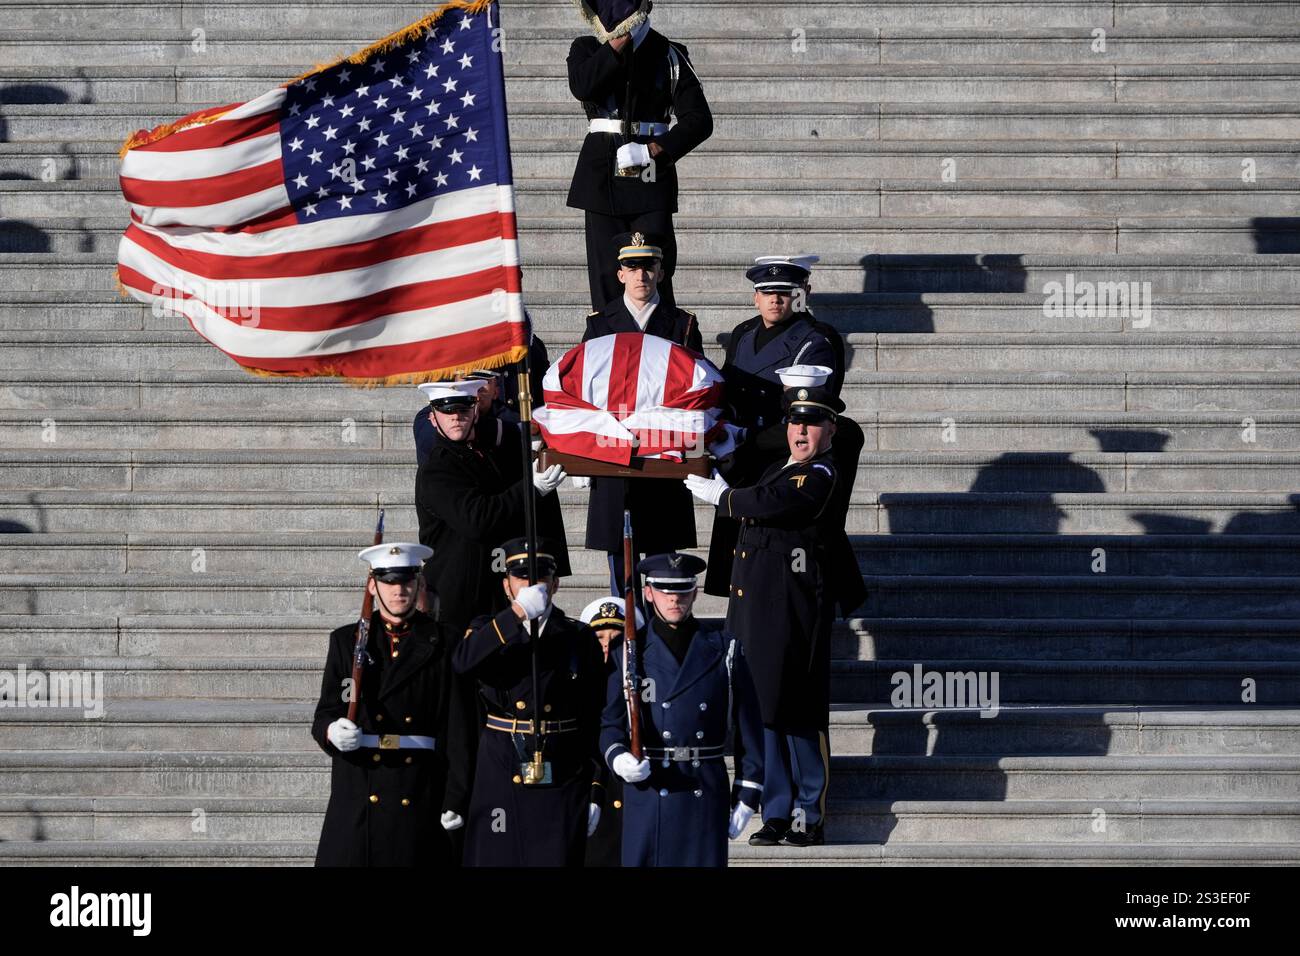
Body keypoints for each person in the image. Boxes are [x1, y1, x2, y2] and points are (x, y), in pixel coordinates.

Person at [684, 385, 866, 847]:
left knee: (798, 709)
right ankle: (777, 810)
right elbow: (757, 490)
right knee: (763, 710)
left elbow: (776, 504)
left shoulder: (821, 473)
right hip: (752, 609)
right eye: (794, 422)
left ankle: (811, 810)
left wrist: (724, 499)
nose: (801, 430)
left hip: (793, 609)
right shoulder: (776, 468)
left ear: (830, 430)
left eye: (812, 423)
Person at [703, 255, 858, 597]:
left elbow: (808, 413)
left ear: (804, 293)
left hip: (781, 460)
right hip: (741, 461)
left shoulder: (817, 339)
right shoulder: (743, 332)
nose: (776, 299)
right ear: (755, 296)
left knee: (778, 572)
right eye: (767, 291)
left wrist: (744, 439)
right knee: (738, 576)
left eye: (786, 292)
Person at [312, 542, 475, 866]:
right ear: (373, 586)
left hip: (419, 789)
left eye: (407, 581)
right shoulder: (347, 641)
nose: (398, 590)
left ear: (419, 585)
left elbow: (460, 727)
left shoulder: (445, 641)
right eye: (389, 582)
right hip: (359, 790)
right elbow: (326, 711)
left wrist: (457, 795)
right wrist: (332, 730)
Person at [453, 538, 610, 866]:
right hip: (502, 762)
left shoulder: (578, 635)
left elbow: (595, 714)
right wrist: (517, 615)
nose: (531, 584)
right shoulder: (487, 629)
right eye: (521, 577)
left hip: (561, 764)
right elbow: (463, 662)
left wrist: (596, 785)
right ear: (507, 585)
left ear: (555, 584)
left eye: (540, 576)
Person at [600, 552, 764, 866]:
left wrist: (748, 791)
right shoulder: (628, 651)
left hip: (703, 788)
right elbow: (610, 724)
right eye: (664, 590)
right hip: (649, 792)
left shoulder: (725, 647)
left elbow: (750, 728)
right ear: (648, 593)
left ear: (695, 592)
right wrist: (617, 756)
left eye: (683, 591)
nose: (674, 599)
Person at [576, 232, 703, 595]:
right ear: (620, 274)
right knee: (620, 561)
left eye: (648, 266)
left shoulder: (683, 324)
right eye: (632, 266)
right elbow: (586, 391)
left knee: (664, 559)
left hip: (665, 451)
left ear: (662, 272)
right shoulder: (600, 324)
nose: (640, 274)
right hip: (614, 450)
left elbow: (698, 388)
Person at [568, 0, 713, 310]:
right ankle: (609, 347)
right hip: (601, 177)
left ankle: (659, 345)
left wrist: (654, 150)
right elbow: (584, 86)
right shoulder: (587, 48)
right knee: (608, 276)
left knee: (653, 271)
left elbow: (699, 120)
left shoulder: (668, 53)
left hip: (650, 176)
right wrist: (618, 41)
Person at [414, 381, 568, 636]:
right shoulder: (437, 469)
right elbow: (478, 519)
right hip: (458, 597)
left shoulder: (483, 454)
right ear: (433, 418)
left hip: (495, 589)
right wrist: (530, 489)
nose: (456, 418)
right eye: (447, 411)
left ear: (475, 411)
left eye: (463, 411)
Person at [578, 596, 644, 867]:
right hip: (593, 791)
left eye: (616, 640)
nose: (607, 647)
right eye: (600, 638)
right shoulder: (577, 686)